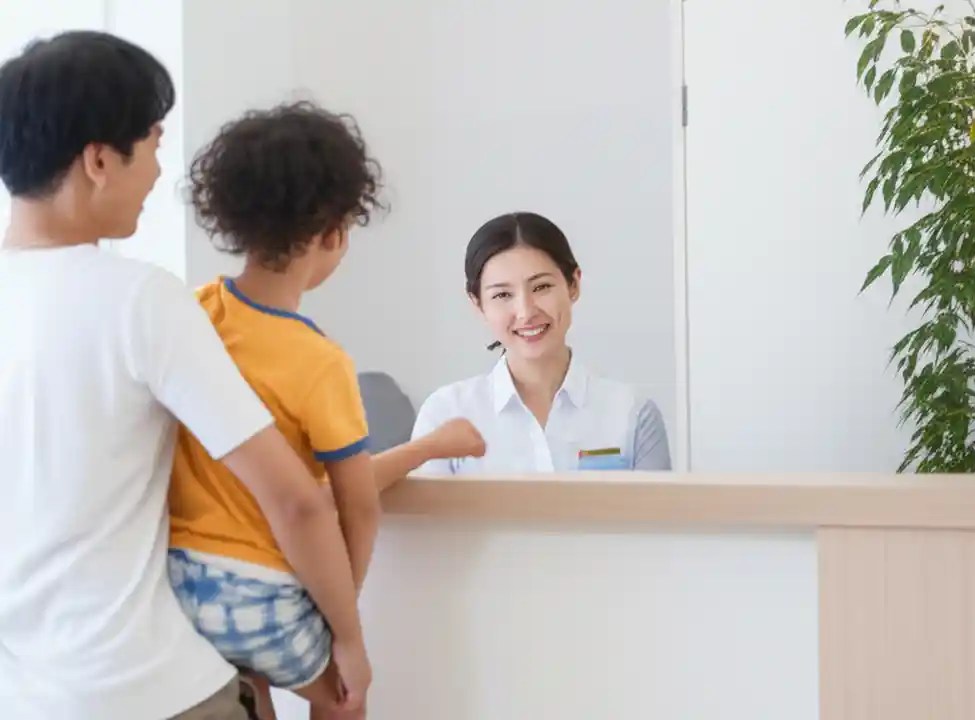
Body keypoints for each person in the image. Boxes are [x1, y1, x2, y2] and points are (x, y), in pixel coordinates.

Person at [0, 32, 369, 720]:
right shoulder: (140, 298)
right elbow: (297, 502)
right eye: (154, 143)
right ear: (100, 160)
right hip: (149, 690)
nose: (158, 171)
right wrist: (348, 642)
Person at [167, 101, 486, 718]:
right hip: (259, 598)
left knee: (249, 687)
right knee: (344, 696)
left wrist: (425, 448)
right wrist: (347, 632)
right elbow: (356, 505)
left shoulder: (196, 313)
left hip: (179, 590)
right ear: (336, 232)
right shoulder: (320, 362)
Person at [411, 212, 671, 474]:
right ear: (478, 304)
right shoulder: (446, 412)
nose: (525, 312)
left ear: (573, 284)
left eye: (541, 287)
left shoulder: (632, 413)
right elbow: (427, 515)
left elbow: (655, 514)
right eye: (503, 294)